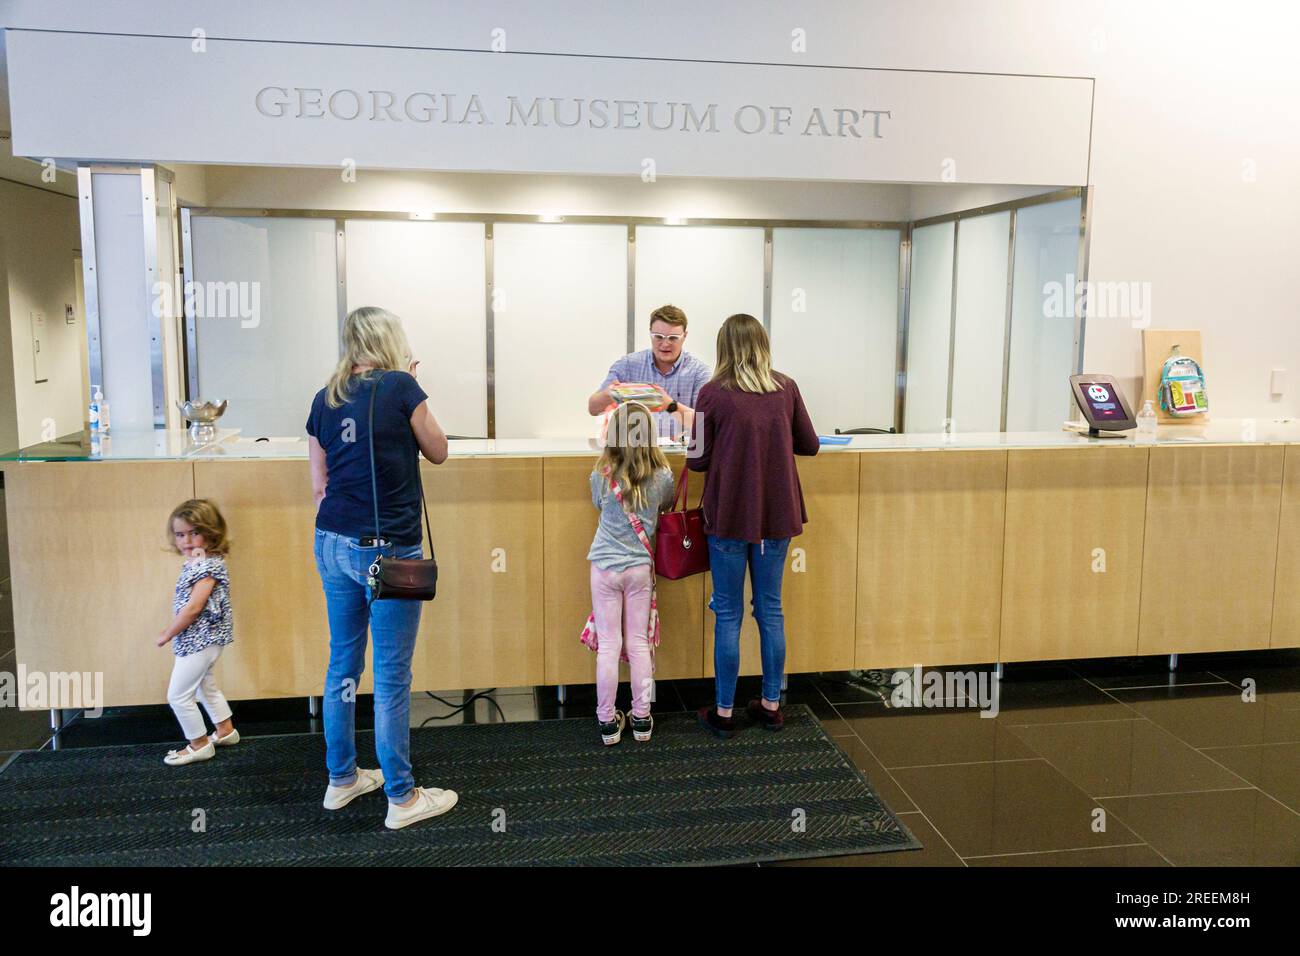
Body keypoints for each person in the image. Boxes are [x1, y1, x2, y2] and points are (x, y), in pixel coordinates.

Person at [305, 305, 458, 830]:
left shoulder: (325, 398)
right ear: (390, 340)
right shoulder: (399, 387)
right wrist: (413, 387)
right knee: (392, 676)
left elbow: (318, 485)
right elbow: (438, 451)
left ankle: (342, 780)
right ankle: (402, 797)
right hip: (389, 551)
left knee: (342, 665)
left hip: (330, 542)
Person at [688, 313, 820, 738]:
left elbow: (697, 460)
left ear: (723, 347)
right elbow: (811, 445)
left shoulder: (713, 394)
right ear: (763, 345)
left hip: (728, 517)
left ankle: (724, 712)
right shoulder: (786, 388)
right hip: (776, 519)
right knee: (770, 610)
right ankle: (770, 704)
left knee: (727, 614)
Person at [582, 402, 676, 746]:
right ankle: (641, 718)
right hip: (639, 568)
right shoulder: (662, 475)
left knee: (608, 645)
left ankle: (607, 721)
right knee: (638, 644)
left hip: (604, 567)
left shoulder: (601, 472)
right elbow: (665, 505)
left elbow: (597, 503)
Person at [158, 498, 238, 766]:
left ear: (212, 532)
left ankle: (199, 743)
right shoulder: (199, 562)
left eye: (195, 533)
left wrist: (168, 632)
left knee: (178, 695)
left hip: (200, 640)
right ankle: (225, 730)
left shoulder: (208, 566)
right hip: (199, 639)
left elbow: (194, 608)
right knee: (206, 685)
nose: (187, 541)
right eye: (180, 534)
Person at [588, 304, 711, 440]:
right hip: (637, 455)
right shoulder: (628, 364)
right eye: (658, 337)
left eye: (673, 338)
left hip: (681, 456)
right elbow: (593, 408)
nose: (665, 344)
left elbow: (705, 424)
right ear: (650, 333)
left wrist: (669, 405)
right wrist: (611, 394)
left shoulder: (699, 372)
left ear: (684, 336)